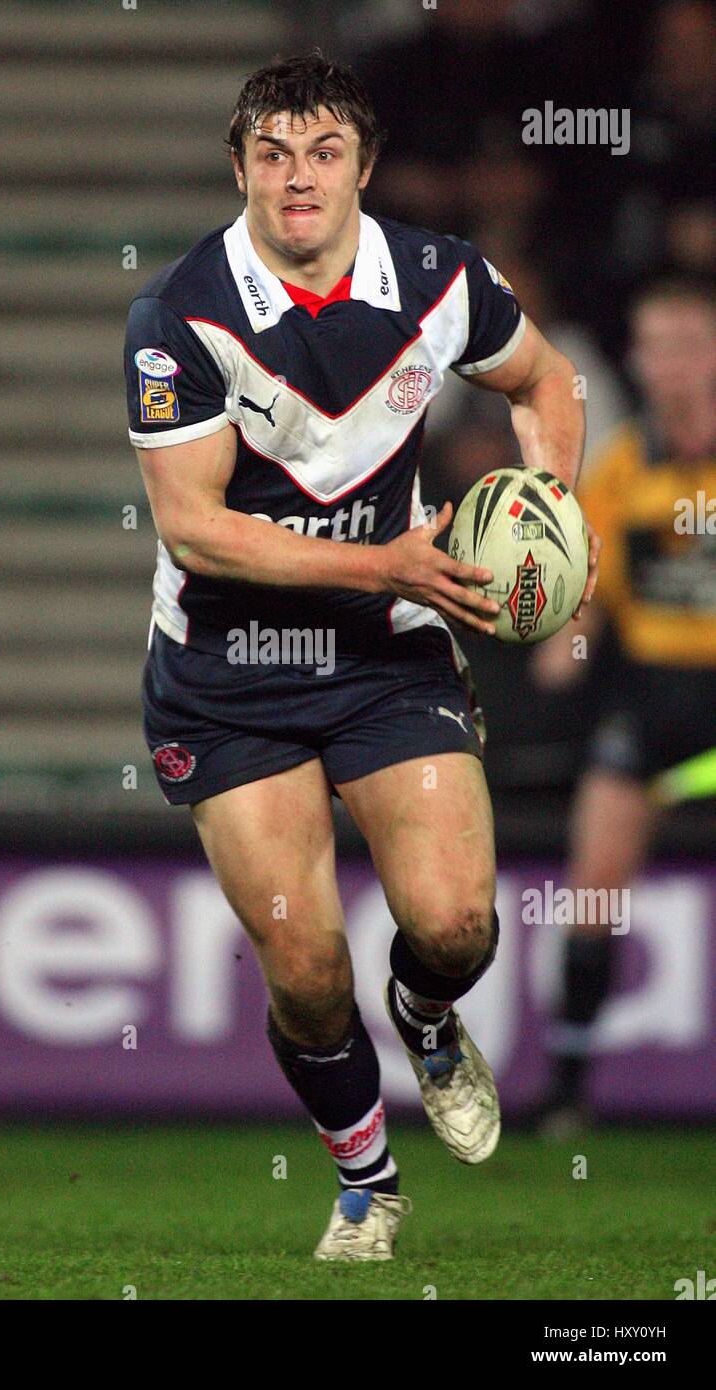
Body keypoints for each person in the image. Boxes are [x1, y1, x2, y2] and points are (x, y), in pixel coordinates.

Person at [124, 53, 598, 1260]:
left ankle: (428, 1017)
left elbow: (545, 382)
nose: (298, 178)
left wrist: (543, 514)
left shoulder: (438, 279)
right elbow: (194, 525)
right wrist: (385, 561)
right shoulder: (180, 312)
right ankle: (365, 1184)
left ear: (362, 168)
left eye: (323, 152)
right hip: (228, 674)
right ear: (236, 167)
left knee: (452, 924)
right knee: (304, 959)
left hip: (385, 655)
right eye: (271, 154)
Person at [532, 273, 715, 1134]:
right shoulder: (623, 463)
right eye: (657, 347)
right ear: (636, 360)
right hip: (651, 700)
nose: (671, 366)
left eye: (688, 345)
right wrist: (564, 645)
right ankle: (568, 1092)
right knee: (593, 890)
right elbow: (586, 588)